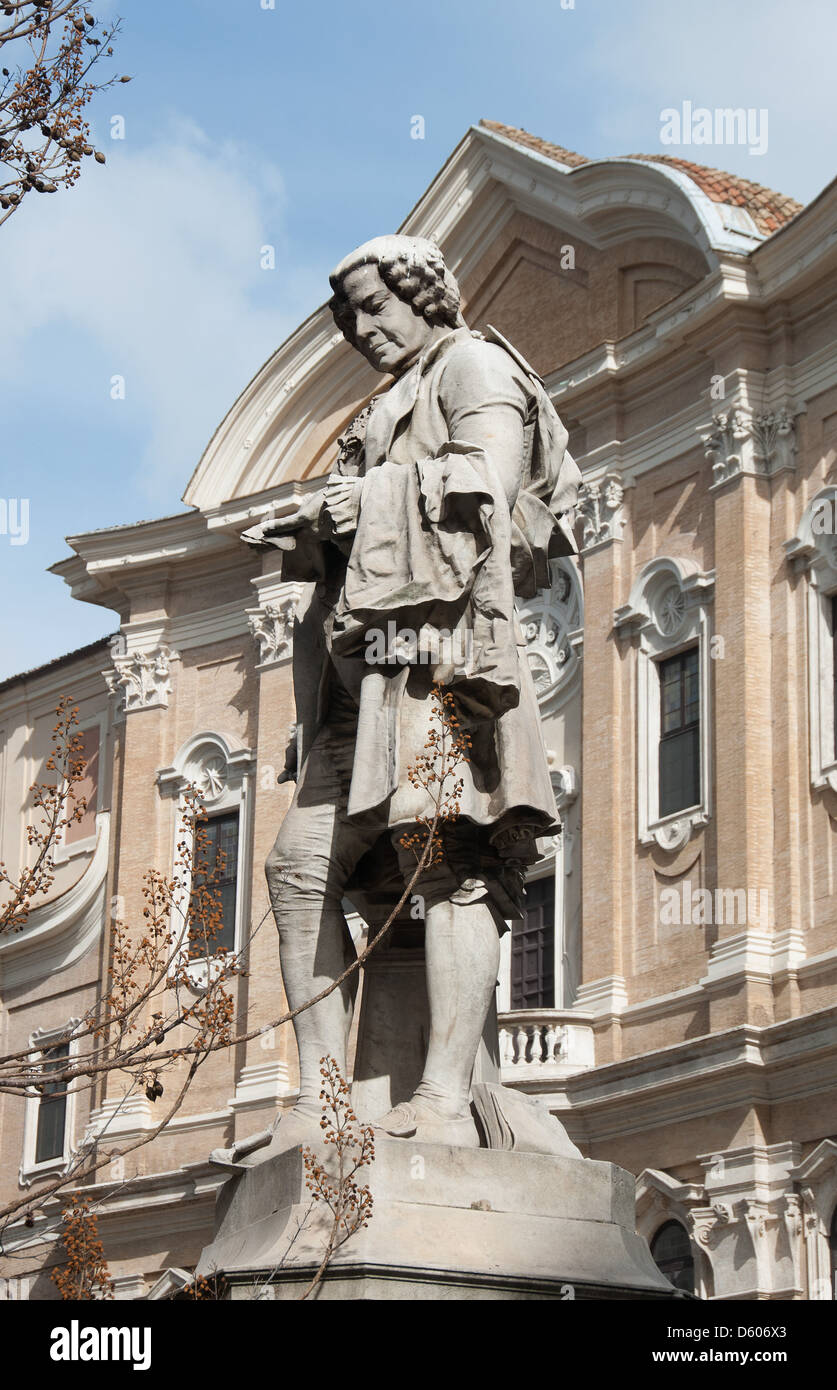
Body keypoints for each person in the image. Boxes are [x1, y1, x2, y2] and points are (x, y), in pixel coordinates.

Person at [221, 234, 580, 1159]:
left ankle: (446, 1095)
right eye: (350, 318)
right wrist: (314, 529)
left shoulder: (471, 365)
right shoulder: (380, 408)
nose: (364, 329)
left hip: (443, 659)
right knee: (298, 867)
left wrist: (360, 502)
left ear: (424, 295)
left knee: (450, 858)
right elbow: (377, 517)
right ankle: (323, 1101)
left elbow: (490, 483)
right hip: (363, 676)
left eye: (377, 307)